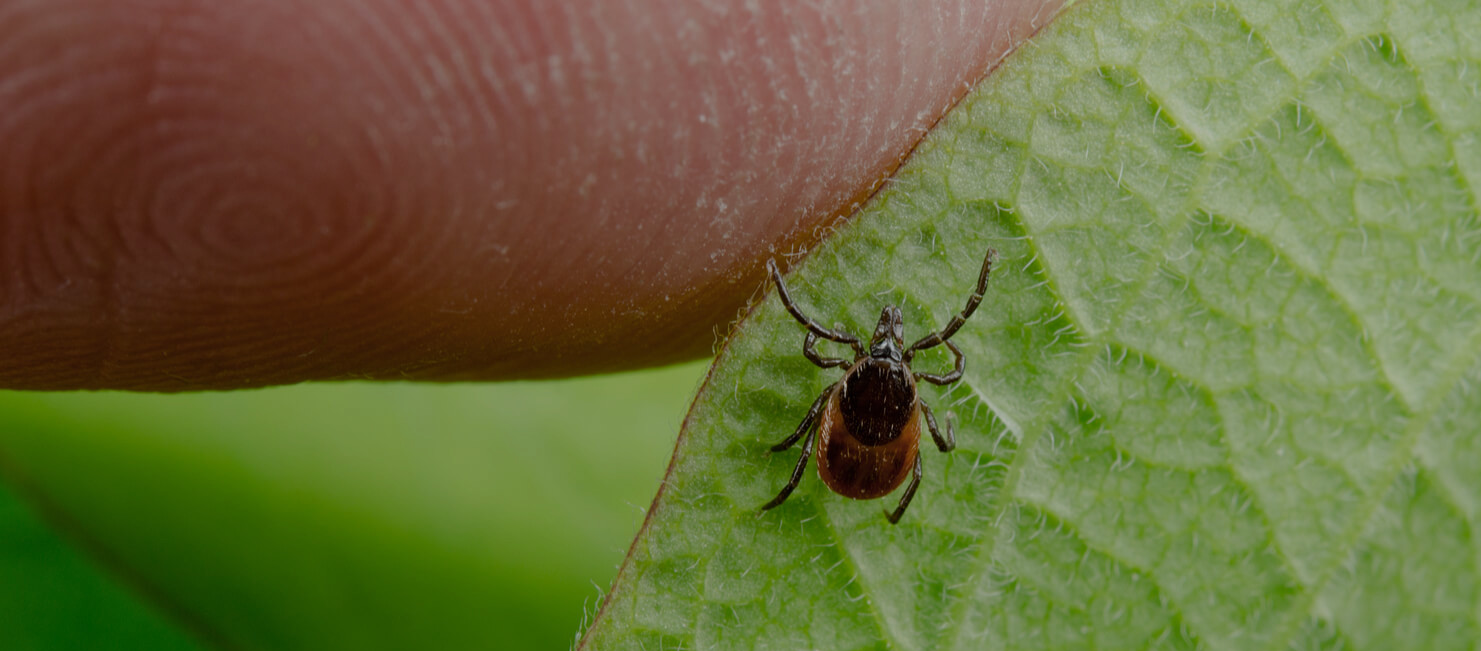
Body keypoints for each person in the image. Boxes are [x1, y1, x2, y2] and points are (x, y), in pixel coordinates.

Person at [0, 0, 1060, 390]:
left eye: (873, 356)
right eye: (891, 359)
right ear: (912, 381)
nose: (879, 349)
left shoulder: (851, 383)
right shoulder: (914, 380)